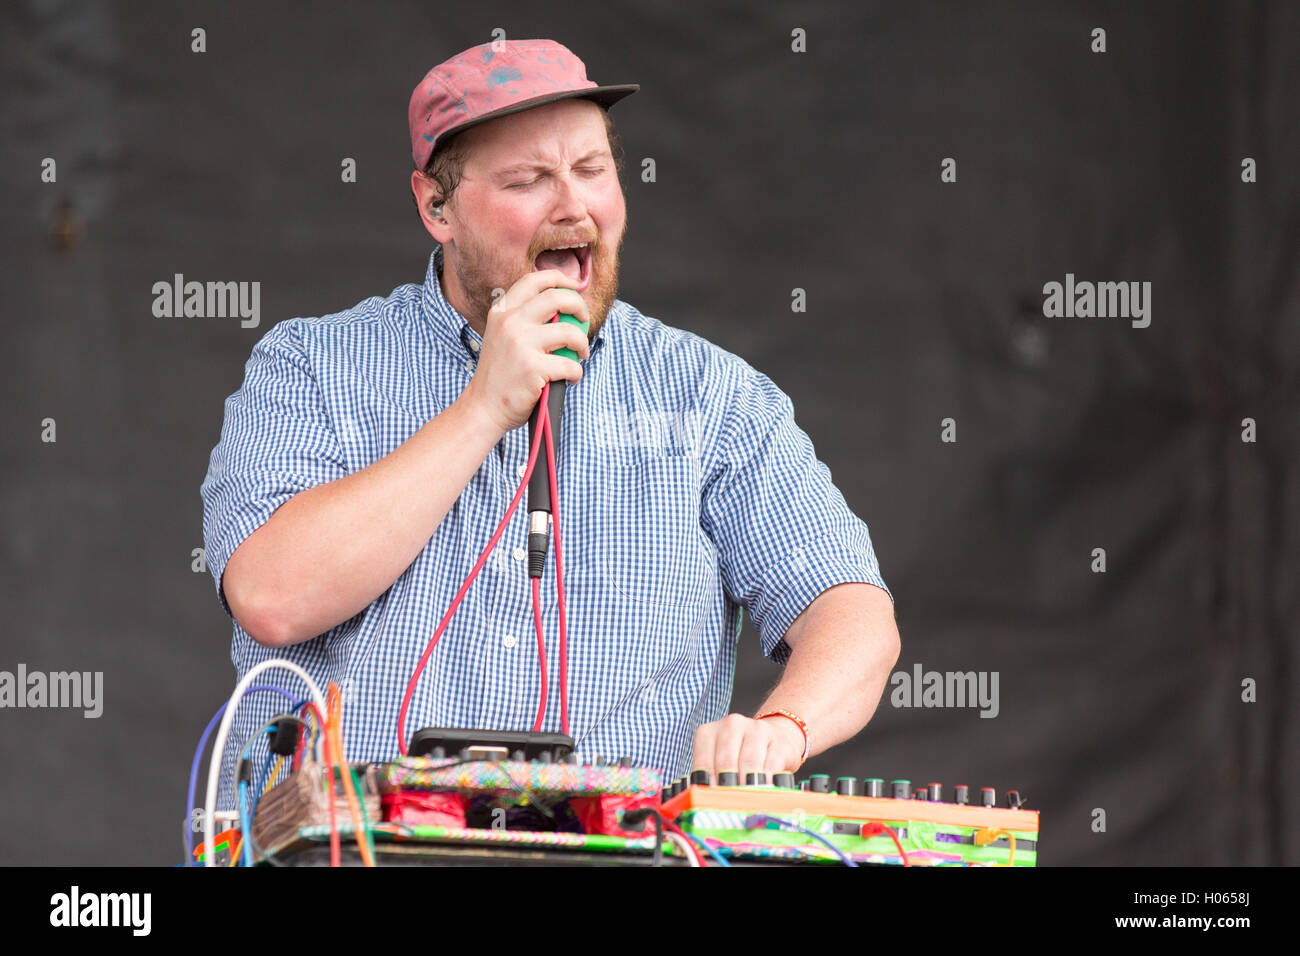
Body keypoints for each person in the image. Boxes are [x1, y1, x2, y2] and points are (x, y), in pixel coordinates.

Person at [200, 39, 899, 805]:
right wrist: (483, 409)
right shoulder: (312, 365)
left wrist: (782, 729)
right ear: (437, 206)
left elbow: (852, 609)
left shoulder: (709, 395)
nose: (574, 206)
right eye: (528, 180)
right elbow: (273, 597)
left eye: (592, 170)